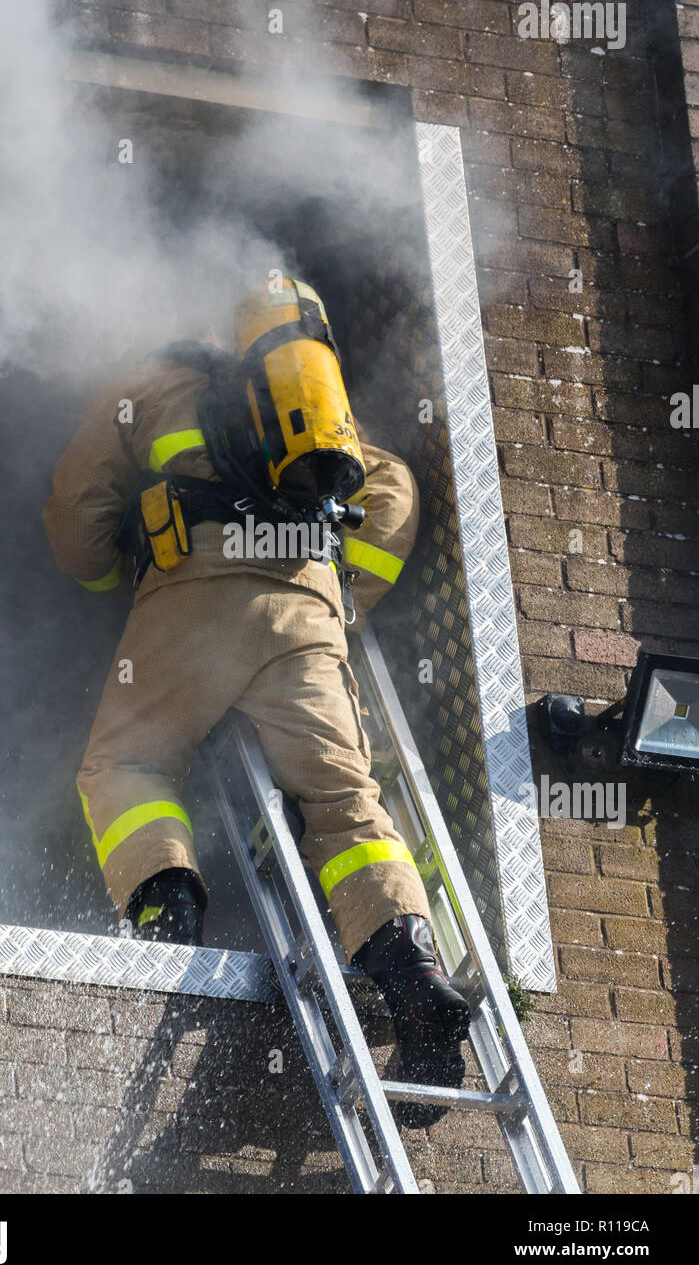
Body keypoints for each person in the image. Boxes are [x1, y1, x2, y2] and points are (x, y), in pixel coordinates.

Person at [43, 277, 470, 1124]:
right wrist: (341, 598)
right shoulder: (316, 403)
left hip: (194, 598)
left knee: (125, 762)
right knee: (346, 807)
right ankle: (414, 974)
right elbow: (390, 494)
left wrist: (102, 579)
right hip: (306, 617)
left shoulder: (148, 379)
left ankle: (168, 911)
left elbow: (75, 517)